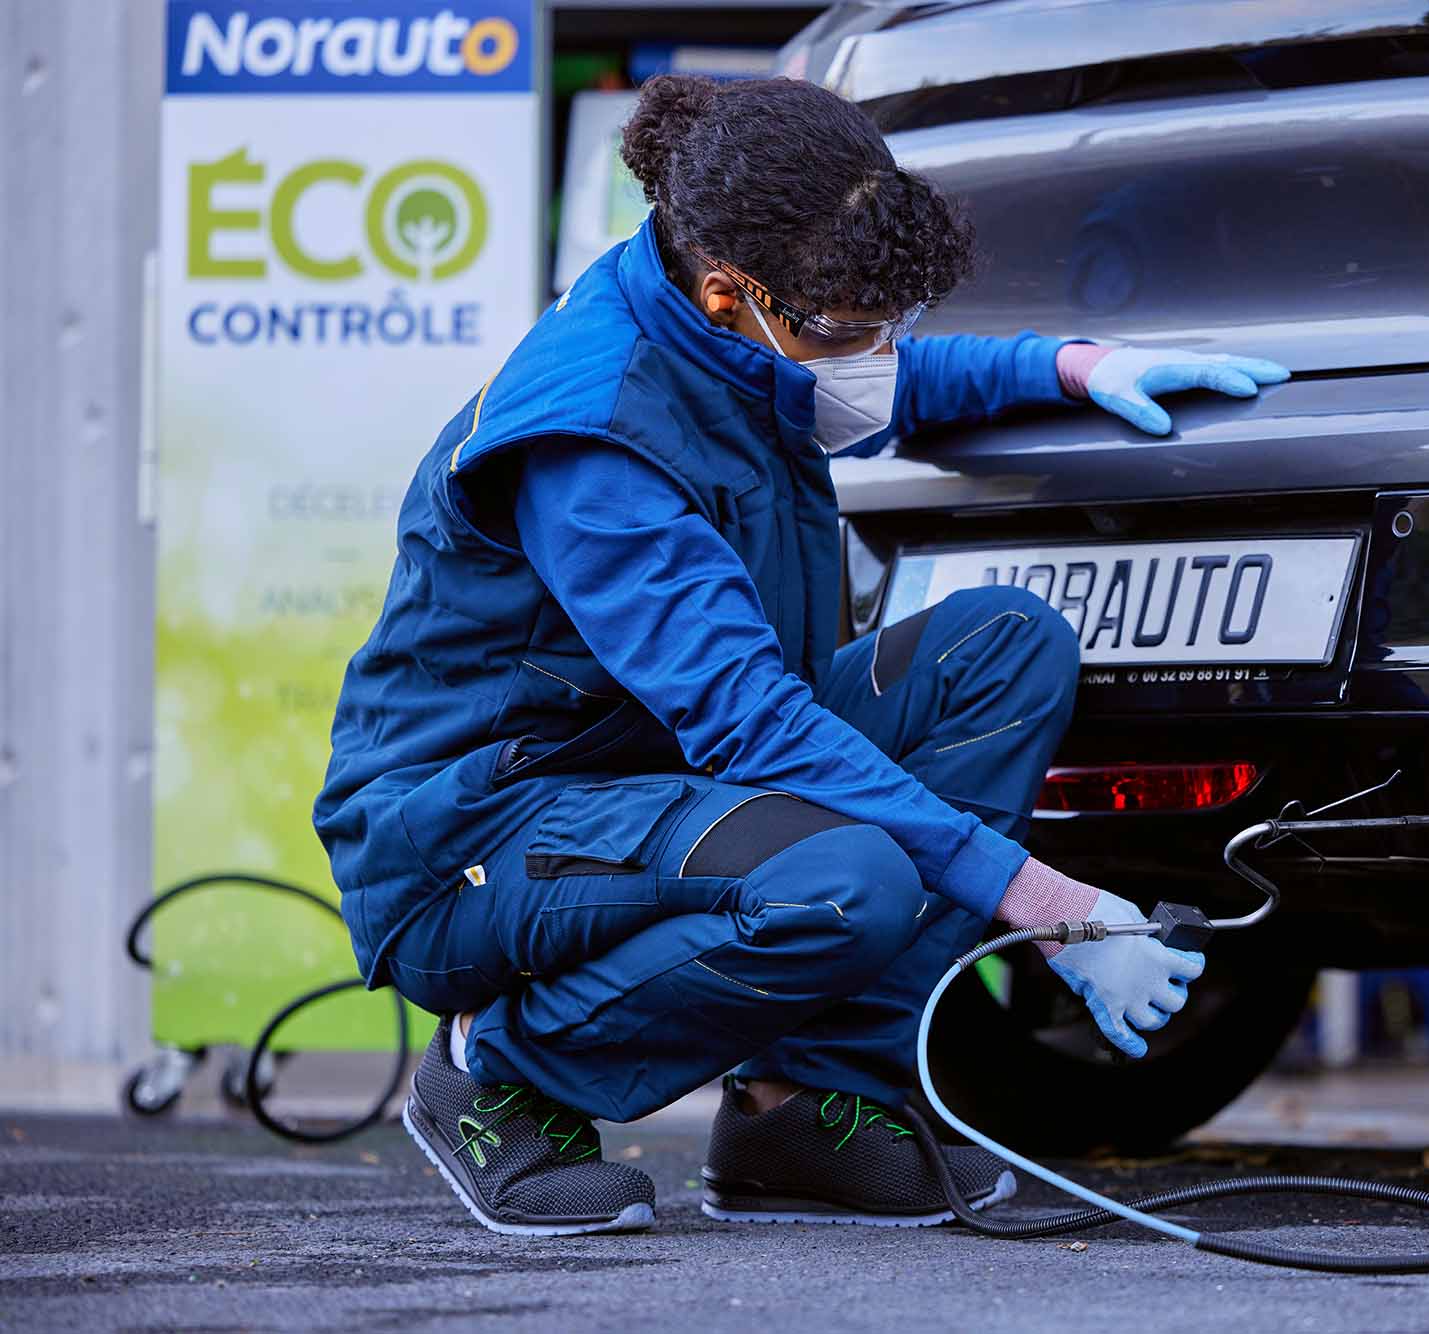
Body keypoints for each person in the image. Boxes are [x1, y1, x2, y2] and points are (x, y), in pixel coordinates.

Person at [313, 73, 1289, 1238]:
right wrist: (1052, 904)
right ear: (730, 293)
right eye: (851, 327)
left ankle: (803, 1108)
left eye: (888, 322)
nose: (878, 352)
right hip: (477, 831)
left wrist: (1071, 367)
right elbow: (753, 724)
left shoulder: (725, 333)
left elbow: (883, 380)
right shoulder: (593, 442)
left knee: (1003, 649)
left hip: (646, 773)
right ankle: (500, 1070)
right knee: (845, 880)